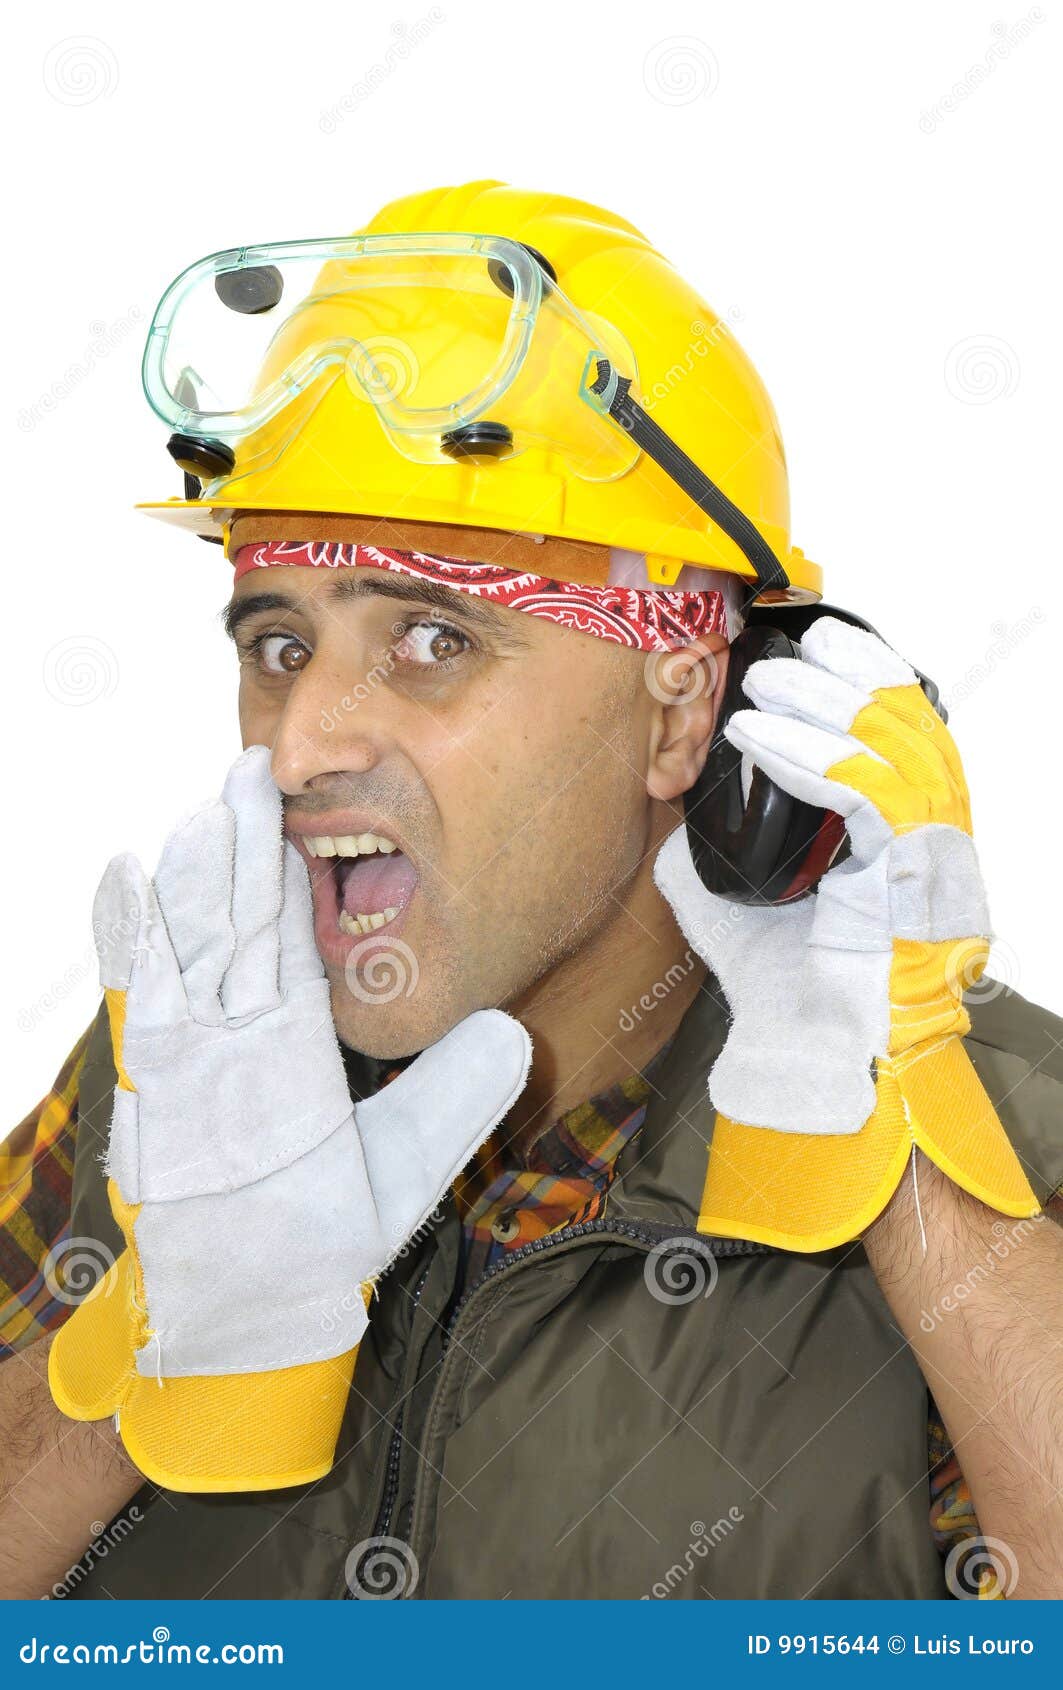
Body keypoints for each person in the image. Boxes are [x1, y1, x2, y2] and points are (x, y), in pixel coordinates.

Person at [1, 181, 1060, 1601]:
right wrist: (148, 1341)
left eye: (434, 638)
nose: (302, 744)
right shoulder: (175, 1076)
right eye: (274, 642)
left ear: (689, 705)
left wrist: (908, 1151)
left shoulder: (1017, 1138)